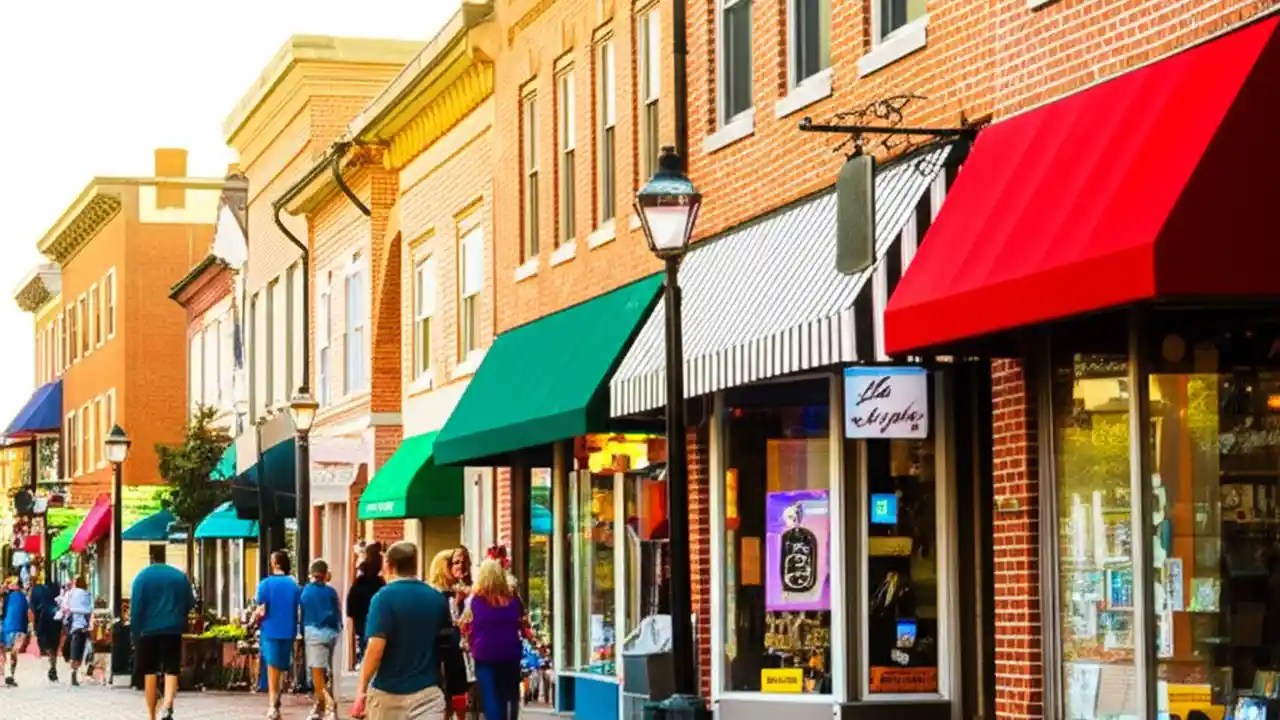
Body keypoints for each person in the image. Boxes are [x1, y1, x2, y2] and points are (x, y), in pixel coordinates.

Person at [352, 541, 455, 720]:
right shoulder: (437, 599)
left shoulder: (382, 599)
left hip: (388, 694)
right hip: (428, 694)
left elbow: (375, 648)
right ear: (416, 564)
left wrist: (361, 689)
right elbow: (447, 646)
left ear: (389, 565)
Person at [131, 545, 195, 720]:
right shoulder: (179, 577)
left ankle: (151, 715)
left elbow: (136, 608)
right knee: (171, 669)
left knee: (149, 672)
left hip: (148, 631)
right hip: (172, 629)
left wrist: (135, 633)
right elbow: (190, 603)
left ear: (151, 557)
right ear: (164, 556)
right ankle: (167, 705)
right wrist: (179, 615)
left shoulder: (141, 577)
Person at [462, 559, 524, 720]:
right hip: (510, 653)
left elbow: (466, 625)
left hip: (484, 654)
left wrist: (470, 642)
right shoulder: (513, 601)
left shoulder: (475, 601)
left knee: (491, 696)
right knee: (509, 695)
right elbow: (520, 623)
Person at [256, 550, 302, 720]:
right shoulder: (294, 585)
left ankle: (272, 703)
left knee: (272, 666)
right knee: (282, 666)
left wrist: (254, 618)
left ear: (275, 564)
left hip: (271, 629)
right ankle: (277, 698)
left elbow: (261, 608)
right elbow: (299, 607)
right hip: (288, 630)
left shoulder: (265, 584)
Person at [429, 551, 470, 720]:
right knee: (445, 689)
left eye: (462, 562)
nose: (460, 566)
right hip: (441, 647)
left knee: (459, 688)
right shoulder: (435, 593)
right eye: (455, 562)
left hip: (458, 647)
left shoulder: (463, 591)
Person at [301, 559, 342, 720]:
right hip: (332, 633)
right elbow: (337, 612)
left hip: (313, 632)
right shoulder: (331, 592)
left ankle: (328, 705)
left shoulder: (306, 592)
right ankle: (320, 705)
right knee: (329, 671)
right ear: (326, 574)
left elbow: (302, 613)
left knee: (317, 672)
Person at [346, 551, 385, 667]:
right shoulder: (380, 583)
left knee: (364, 641)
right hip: (376, 618)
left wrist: (351, 614)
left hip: (361, 618)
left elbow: (351, 601)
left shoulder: (358, 583)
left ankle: (365, 662)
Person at [28, 576, 62, 683]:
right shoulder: (55, 589)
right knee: (54, 645)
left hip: (43, 620)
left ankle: (51, 660)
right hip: (55, 618)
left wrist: (32, 626)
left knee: (44, 643)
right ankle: (53, 666)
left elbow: (32, 610)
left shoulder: (36, 591)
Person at [0, 576, 29, 687]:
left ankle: (4, 675)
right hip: (16, 628)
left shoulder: (9, 597)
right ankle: (10, 675)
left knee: (4, 652)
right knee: (12, 652)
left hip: (7, 627)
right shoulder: (21, 597)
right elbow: (27, 613)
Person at [66, 576, 93, 686]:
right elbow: (89, 610)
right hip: (82, 627)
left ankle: (74, 672)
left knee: (75, 651)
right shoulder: (85, 595)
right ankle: (75, 673)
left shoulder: (71, 594)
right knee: (80, 651)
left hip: (73, 627)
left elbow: (66, 607)